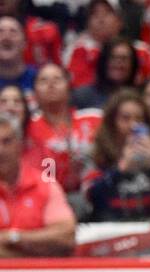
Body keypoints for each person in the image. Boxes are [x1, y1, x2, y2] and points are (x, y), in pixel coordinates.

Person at [0, 113, 75, 257]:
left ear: (20, 145)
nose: (0, 150)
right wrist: (36, 246)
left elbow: (67, 237)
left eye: (7, 141)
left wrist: (13, 237)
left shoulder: (45, 184)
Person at [27, 62, 101, 198]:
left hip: (95, 195)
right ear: (34, 92)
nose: (51, 84)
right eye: (43, 80)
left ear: (69, 86)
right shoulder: (28, 128)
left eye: (57, 79)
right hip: (46, 198)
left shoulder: (94, 119)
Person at [83, 88, 150, 221]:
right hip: (109, 227)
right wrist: (121, 169)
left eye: (139, 119)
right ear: (112, 122)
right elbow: (90, 196)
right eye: (125, 118)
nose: (133, 125)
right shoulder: (95, 153)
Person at [64, 0, 150, 89]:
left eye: (107, 12)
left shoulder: (141, 50)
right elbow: (78, 88)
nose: (100, 19)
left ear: (120, 20)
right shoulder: (77, 50)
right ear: (87, 22)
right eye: (94, 13)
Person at [71, 35, 140, 109]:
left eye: (124, 58)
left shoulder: (140, 97)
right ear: (103, 62)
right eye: (113, 57)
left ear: (133, 64)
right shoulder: (82, 96)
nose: (118, 62)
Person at [0, 15, 35, 92]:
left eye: (13, 31)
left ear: (24, 43)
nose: (6, 37)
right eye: (0, 31)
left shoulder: (37, 79)